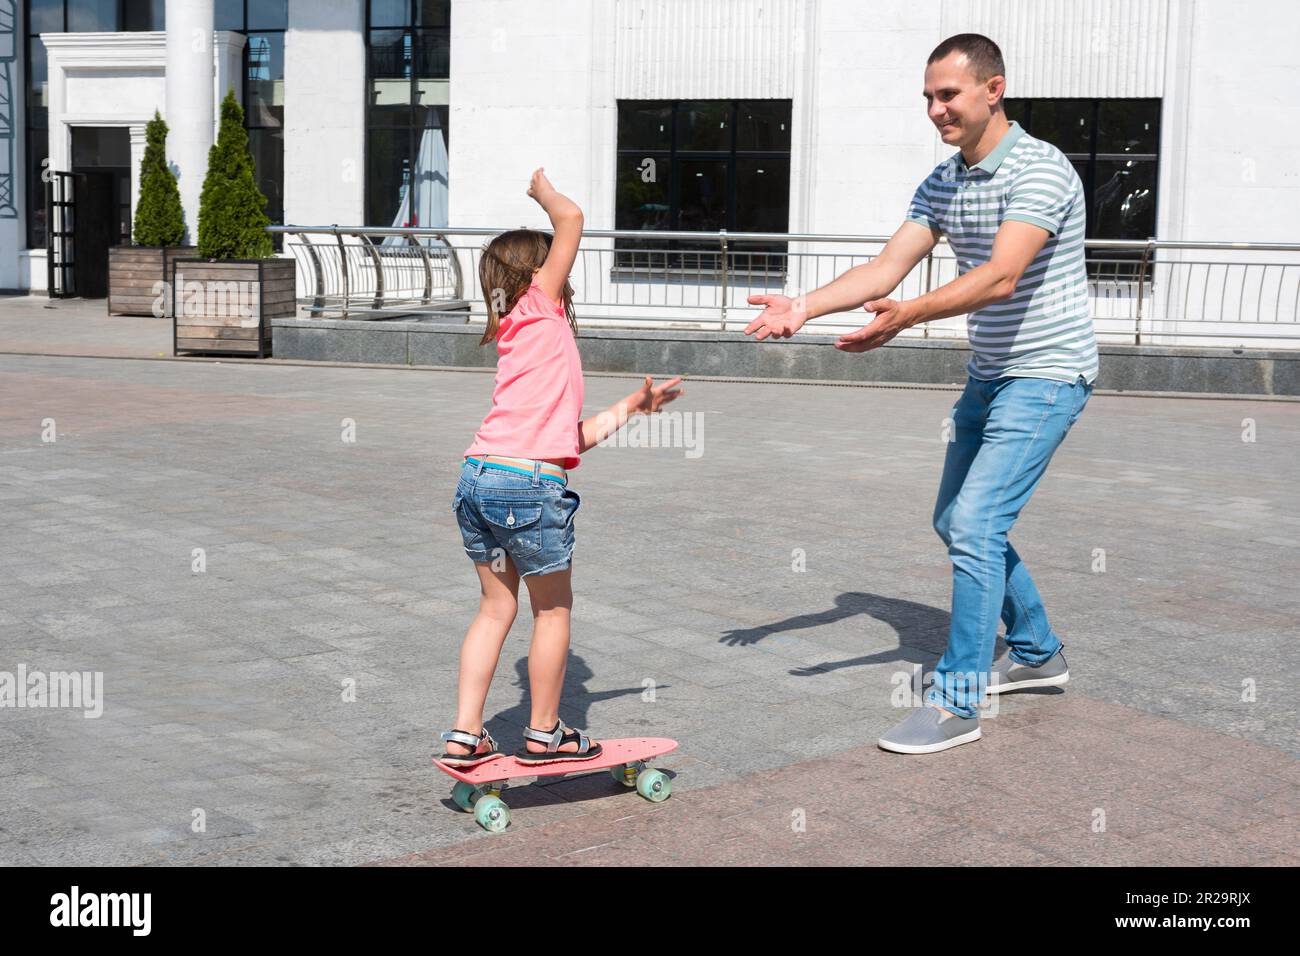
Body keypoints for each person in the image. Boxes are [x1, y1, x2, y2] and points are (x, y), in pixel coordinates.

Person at [745, 34, 1098, 755]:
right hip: (990, 373)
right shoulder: (943, 181)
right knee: (957, 521)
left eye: (949, 95)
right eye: (929, 98)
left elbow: (1001, 275)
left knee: (974, 525)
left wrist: (910, 314)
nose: (936, 110)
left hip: (1048, 373)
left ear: (993, 90)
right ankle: (1036, 651)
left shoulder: (1041, 169)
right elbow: (886, 267)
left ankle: (956, 702)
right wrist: (805, 307)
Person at [439, 168, 683, 767]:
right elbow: (571, 217)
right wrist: (542, 191)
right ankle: (545, 732)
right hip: (524, 488)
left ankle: (466, 732)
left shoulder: (517, 331)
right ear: (534, 275)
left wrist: (632, 404)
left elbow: (567, 441)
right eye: (555, 267)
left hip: (480, 478)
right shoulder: (538, 307)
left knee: (496, 608)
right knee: (552, 609)